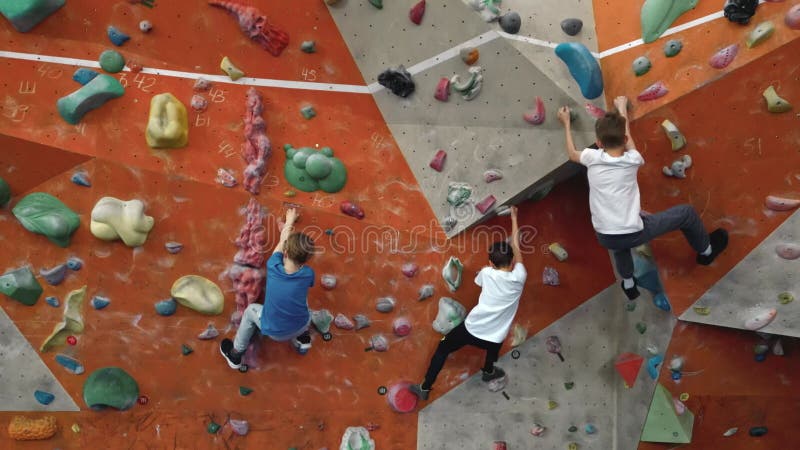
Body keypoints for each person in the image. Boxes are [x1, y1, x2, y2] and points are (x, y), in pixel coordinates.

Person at [557, 96, 728, 300]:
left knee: (619, 246)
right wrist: (621, 108)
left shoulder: (591, 157)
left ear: (599, 143)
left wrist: (566, 123)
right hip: (632, 232)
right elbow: (626, 135)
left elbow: (571, 153)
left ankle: (628, 283)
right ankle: (706, 252)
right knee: (687, 214)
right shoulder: (633, 159)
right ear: (626, 141)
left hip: (604, 235)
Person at [409, 206, 526, 401]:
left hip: (471, 328)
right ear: (512, 261)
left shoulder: (486, 274)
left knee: (443, 348)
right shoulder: (520, 276)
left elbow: (478, 281)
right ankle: (488, 371)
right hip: (495, 335)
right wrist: (514, 216)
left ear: (490, 263)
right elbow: (516, 246)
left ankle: (425, 386)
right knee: (492, 352)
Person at [220, 208, 315, 369]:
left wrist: (290, 221)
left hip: (274, 332)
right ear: (306, 260)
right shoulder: (308, 273)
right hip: (301, 324)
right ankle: (302, 339)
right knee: (301, 298)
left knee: (251, 311)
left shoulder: (273, 265)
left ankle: (236, 354)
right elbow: (286, 247)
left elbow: (281, 243)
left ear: (285, 252)